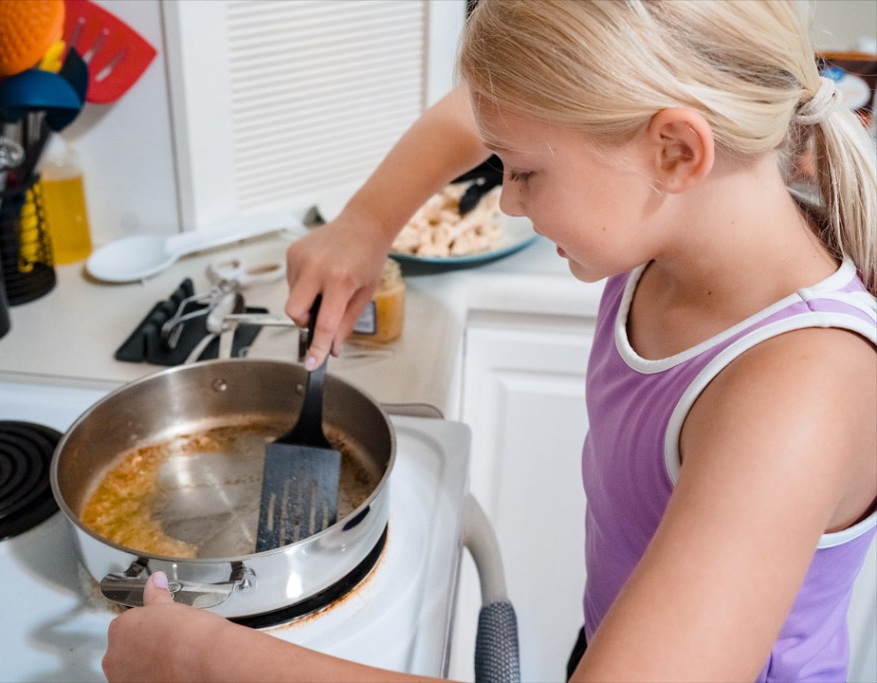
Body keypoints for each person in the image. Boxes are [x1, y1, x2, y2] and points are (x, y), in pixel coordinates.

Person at [102, 1, 877, 681]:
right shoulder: (686, 220)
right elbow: (466, 115)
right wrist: (365, 225)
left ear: (676, 151)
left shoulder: (796, 393)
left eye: (527, 173)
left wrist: (199, 662)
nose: (506, 200)